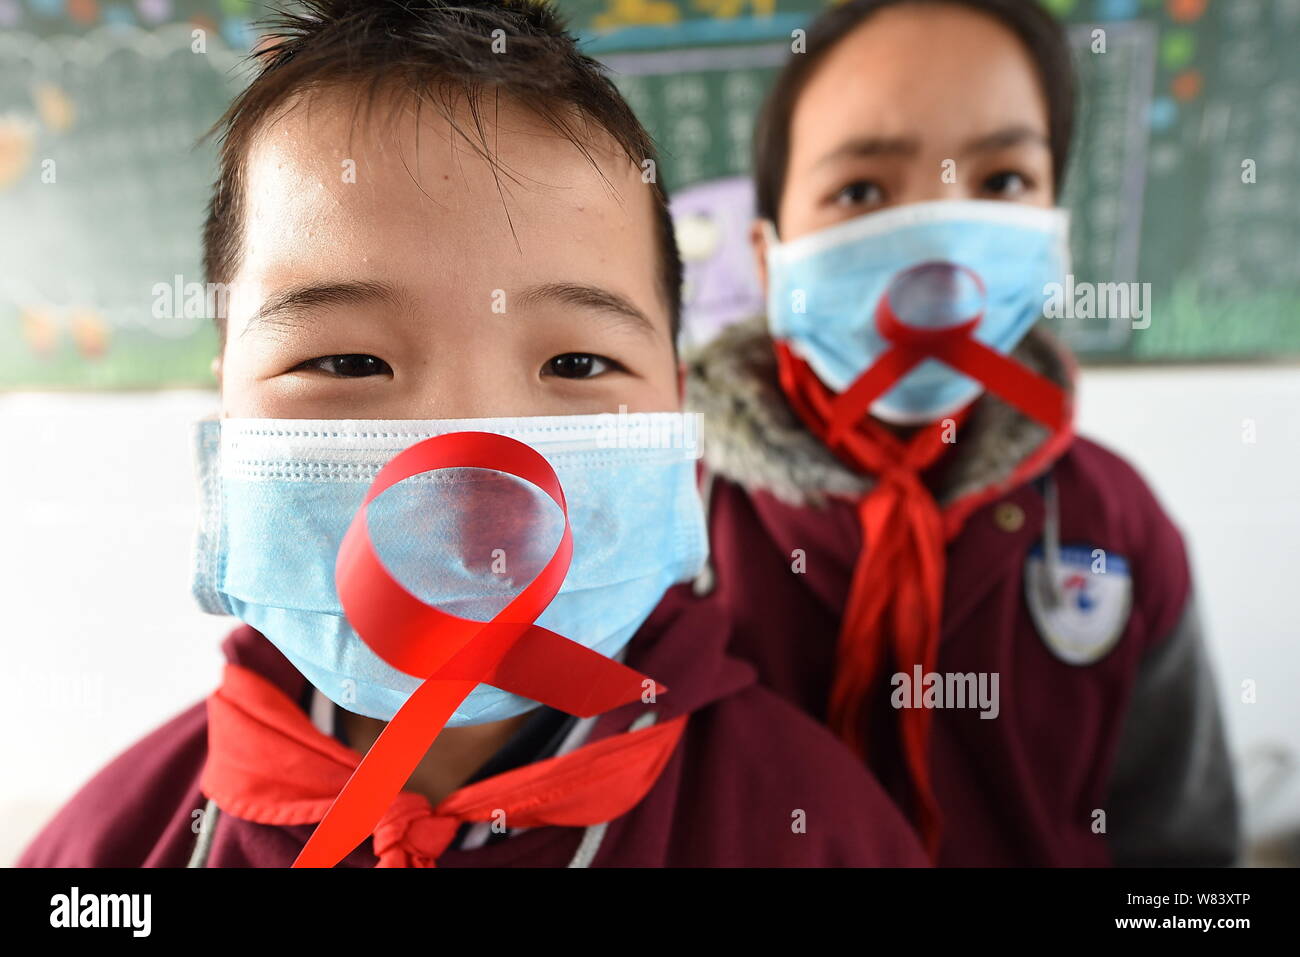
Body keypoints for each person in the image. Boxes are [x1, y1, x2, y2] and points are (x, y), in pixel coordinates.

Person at [17, 0, 926, 869]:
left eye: (575, 365)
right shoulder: (116, 848)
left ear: (678, 421)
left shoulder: (813, 831)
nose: (463, 473)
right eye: (347, 363)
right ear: (227, 419)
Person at [686, 0, 1240, 866]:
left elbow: (1183, 854)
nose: (940, 243)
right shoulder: (673, 526)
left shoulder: (1116, 525)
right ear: (768, 259)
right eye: (862, 189)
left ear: (1055, 227)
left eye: (1002, 181)